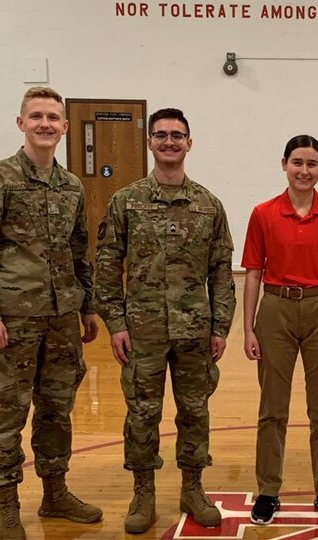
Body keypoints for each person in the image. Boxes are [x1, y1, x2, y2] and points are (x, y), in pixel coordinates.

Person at [0, 86, 103, 540]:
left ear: (64, 127)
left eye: (53, 117)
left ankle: (55, 491)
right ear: (21, 123)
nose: (45, 124)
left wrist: (88, 309)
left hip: (62, 318)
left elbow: (81, 251)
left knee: (57, 411)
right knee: (8, 412)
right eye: (36, 116)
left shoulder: (72, 186)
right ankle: (6, 503)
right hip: (11, 319)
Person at [95, 108, 236, 534]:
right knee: (142, 413)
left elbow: (222, 271)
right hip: (143, 331)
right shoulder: (126, 201)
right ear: (150, 143)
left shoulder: (209, 205)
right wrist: (116, 323)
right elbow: (106, 266)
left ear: (189, 144)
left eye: (178, 135)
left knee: (195, 412)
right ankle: (144, 492)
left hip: (195, 330)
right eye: (162, 135)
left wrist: (220, 327)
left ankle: (193, 488)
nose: (170, 142)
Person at [241, 135, 318, 525]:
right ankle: (267, 491)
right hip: (275, 310)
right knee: (272, 408)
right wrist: (248, 329)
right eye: (297, 162)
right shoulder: (263, 213)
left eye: (311, 163)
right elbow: (253, 272)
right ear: (284, 164)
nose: (304, 170)